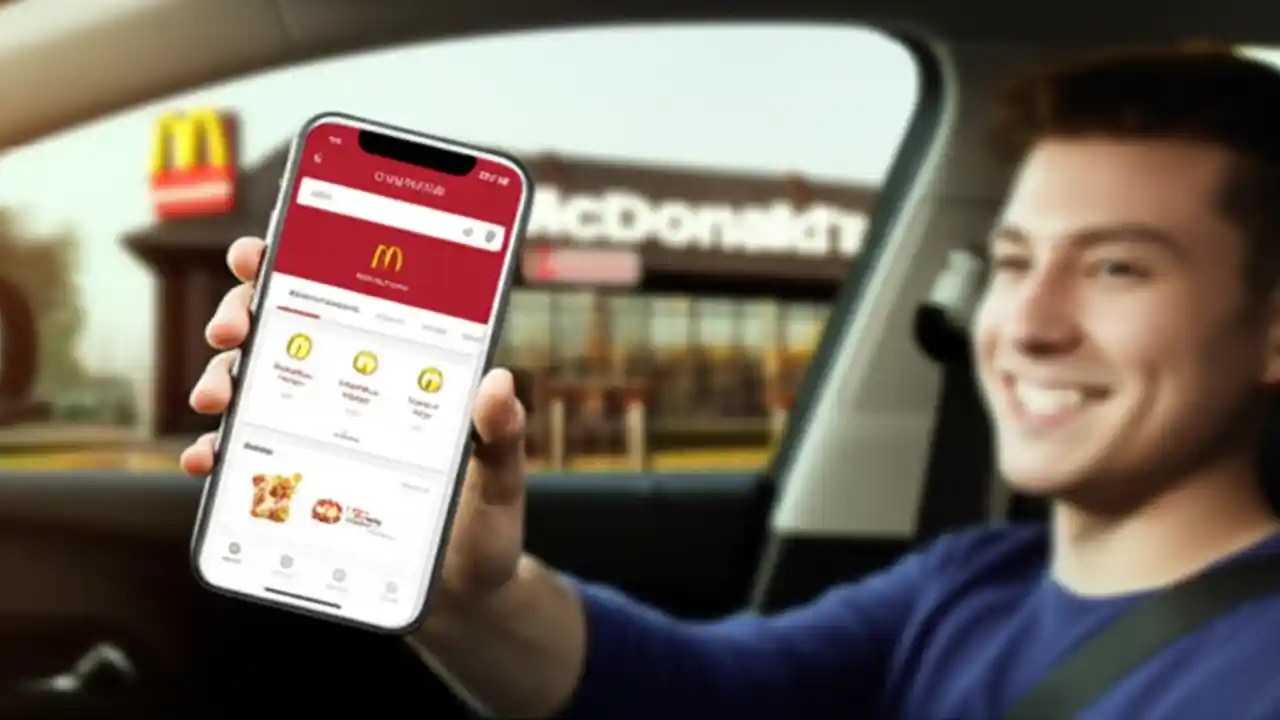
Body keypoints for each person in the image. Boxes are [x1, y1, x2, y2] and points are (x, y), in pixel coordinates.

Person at [179, 45, 1280, 718]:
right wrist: (465, 594)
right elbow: (705, 694)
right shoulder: (967, 585)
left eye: (1113, 267)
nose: (1025, 326)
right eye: (1009, 264)